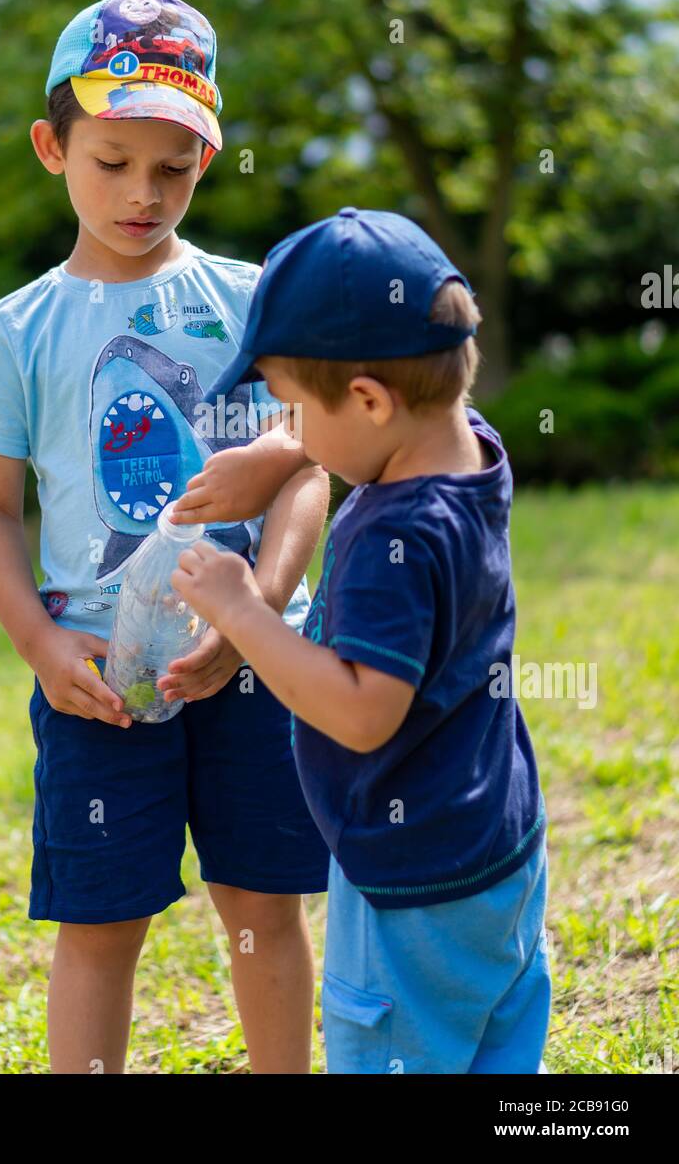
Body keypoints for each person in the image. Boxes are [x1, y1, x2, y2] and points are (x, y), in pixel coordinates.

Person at [0, 0, 331, 1074]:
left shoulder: (252, 306)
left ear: (208, 155)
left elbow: (305, 471)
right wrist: (38, 644)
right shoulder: (19, 329)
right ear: (49, 147)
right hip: (97, 681)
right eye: (110, 160)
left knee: (262, 904)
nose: (142, 192)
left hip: (252, 669)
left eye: (173, 166)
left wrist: (258, 612)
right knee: (101, 923)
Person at [170, 207, 552, 1074]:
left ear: (371, 400)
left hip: (410, 881)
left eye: (292, 408)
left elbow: (360, 711)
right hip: (499, 846)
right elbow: (385, 424)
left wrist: (242, 612)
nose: (284, 423)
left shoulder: (394, 540)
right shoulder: (472, 455)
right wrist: (282, 456)